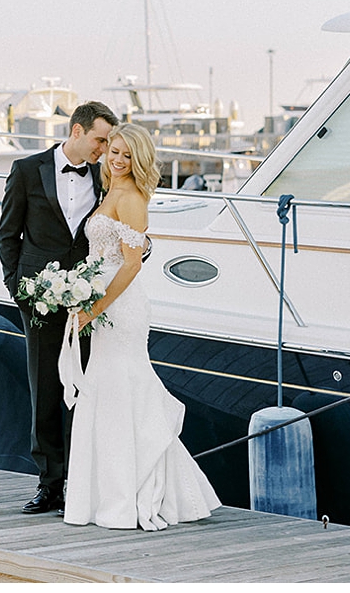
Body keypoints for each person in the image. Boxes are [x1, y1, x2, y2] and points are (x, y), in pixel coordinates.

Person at [61, 122, 221, 530]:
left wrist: (94, 308)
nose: (116, 159)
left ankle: (130, 496)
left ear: (139, 159)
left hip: (121, 308)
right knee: (106, 389)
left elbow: (132, 263)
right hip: (103, 303)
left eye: (126, 155)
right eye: (113, 151)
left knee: (122, 389)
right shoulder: (110, 189)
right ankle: (104, 496)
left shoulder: (132, 196)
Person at [0, 99, 117, 515]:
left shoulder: (106, 176)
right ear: (78, 131)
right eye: (101, 140)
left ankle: (85, 481)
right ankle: (50, 484)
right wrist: (18, 289)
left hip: (91, 297)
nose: (104, 148)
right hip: (39, 296)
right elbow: (8, 235)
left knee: (88, 386)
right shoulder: (27, 170)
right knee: (45, 387)